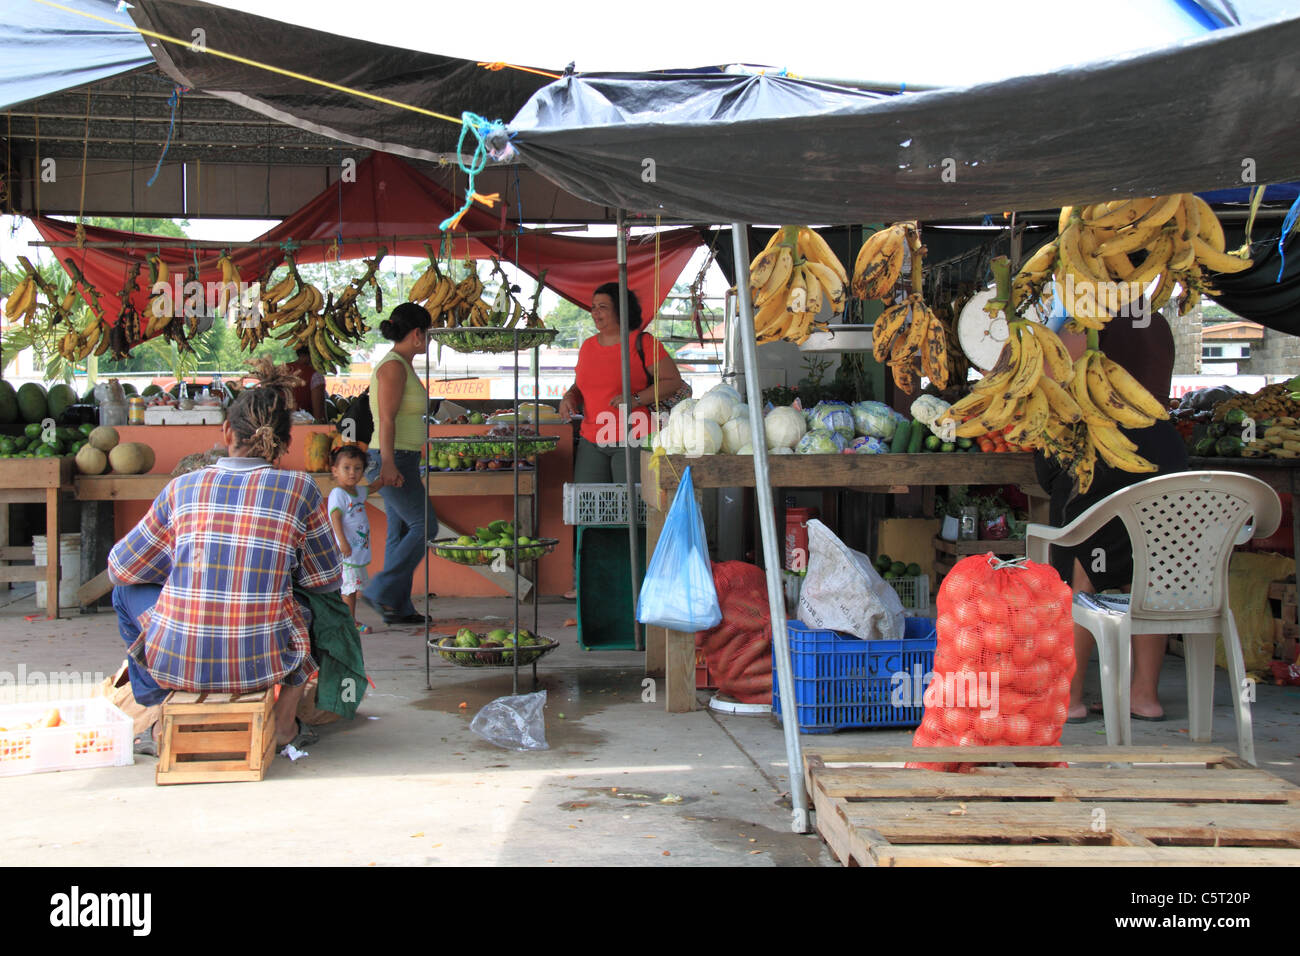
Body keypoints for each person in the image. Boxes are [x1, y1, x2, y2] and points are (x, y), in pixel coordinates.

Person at [109, 386, 342, 754]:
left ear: (227, 433)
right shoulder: (300, 488)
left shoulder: (182, 487)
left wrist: (183, 571)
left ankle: (157, 714)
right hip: (265, 664)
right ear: (284, 443)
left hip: (175, 663)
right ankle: (284, 723)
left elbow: (120, 568)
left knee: (123, 592)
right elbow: (327, 580)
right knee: (321, 606)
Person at [1034, 309, 1188, 723]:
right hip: (1161, 444)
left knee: (1082, 567)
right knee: (1152, 566)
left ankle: (1072, 695)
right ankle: (1144, 695)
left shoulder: (1078, 315)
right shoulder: (1151, 320)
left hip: (1099, 442)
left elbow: (1050, 373)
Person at [558, 283, 686, 484]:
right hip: (591, 439)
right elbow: (580, 386)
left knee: (631, 508)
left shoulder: (643, 343)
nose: (595, 312)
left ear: (621, 310)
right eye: (593, 307)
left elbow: (672, 381)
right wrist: (569, 397)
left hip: (633, 437)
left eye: (602, 307)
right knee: (590, 509)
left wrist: (635, 399)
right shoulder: (587, 347)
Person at [362, 301, 439, 625]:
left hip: (403, 457)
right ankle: (381, 590)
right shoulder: (393, 366)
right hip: (391, 458)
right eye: (429, 333)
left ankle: (399, 607)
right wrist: (389, 465)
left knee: (401, 530)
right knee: (426, 526)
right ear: (418, 334)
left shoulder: (402, 364)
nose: (430, 340)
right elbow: (387, 419)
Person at [328, 444, 372, 634]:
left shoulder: (357, 492)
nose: (352, 473)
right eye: (346, 468)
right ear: (335, 471)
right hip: (347, 553)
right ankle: (349, 623)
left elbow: (372, 488)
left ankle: (347, 620)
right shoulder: (339, 494)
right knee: (349, 589)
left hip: (357, 551)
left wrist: (387, 480)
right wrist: (342, 542)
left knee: (352, 589)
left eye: (357, 468)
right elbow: (335, 517)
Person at [283, 345, 327, 421]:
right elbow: (319, 414)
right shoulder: (316, 376)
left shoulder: (281, 370)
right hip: (304, 426)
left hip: (280, 426)